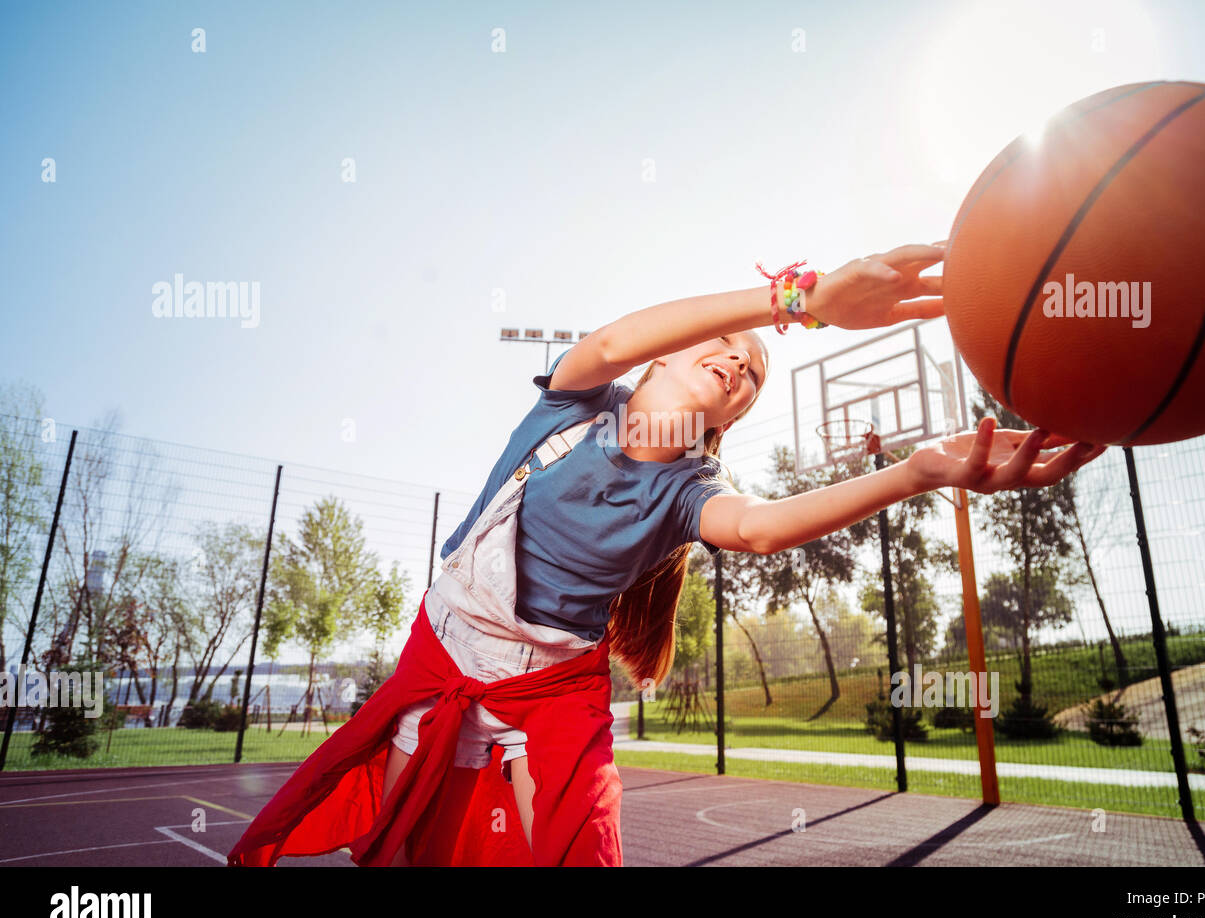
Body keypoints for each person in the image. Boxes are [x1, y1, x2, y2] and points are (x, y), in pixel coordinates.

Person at [227, 242, 1106, 867]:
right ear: (653, 365)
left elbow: (761, 529)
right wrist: (795, 304)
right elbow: (611, 340)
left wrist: (917, 471)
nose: (736, 362)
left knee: (578, 842)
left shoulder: (687, 496)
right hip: (446, 643)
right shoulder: (574, 407)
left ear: (728, 423)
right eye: (720, 347)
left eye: (752, 374)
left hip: (550, 687)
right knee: (398, 826)